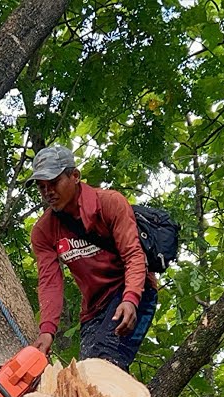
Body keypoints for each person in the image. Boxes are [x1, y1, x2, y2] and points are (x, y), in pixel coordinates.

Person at [27, 145, 158, 372]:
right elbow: (50, 282)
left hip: (130, 290)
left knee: (104, 361)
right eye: (42, 187)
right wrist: (47, 330)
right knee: (86, 374)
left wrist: (131, 298)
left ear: (75, 176)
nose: (48, 192)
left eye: (54, 183)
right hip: (93, 308)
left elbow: (133, 254)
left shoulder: (109, 203)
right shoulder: (44, 231)